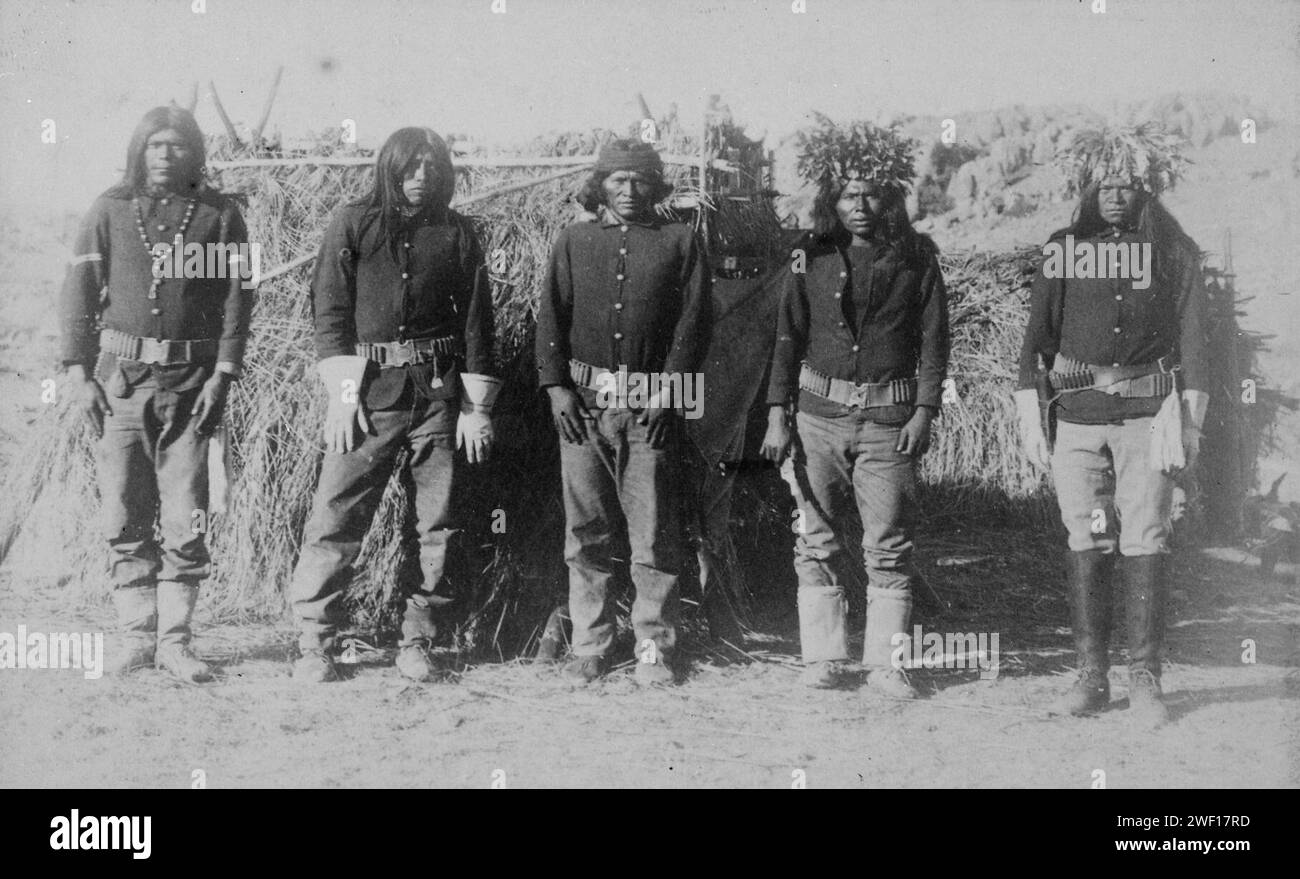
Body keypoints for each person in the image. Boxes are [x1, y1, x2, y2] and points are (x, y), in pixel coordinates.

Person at [288, 127, 498, 684]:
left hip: (436, 397)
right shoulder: (352, 224)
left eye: (431, 168)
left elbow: (479, 321)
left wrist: (477, 407)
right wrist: (341, 395)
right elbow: (330, 312)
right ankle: (315, 640)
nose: (420, 178)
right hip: (367, 398)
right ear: (390, 168)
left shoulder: (457, 233)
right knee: (336, 515)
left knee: (440, 524)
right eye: (409, 167)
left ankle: (420, 642)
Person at [1017, 124, 1206, 727]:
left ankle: (1145, 680)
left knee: (1145, 539)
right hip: (1078, 427)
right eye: (1106, 185)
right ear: (1088, 188)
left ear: (1148, 188)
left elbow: (1198, 344)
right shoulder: (1063, 250)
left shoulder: (1174, 254)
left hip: (1147, 424)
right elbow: (1036, 342)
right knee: (1089, 539)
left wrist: (1192, 424)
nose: (1117, 195)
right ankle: (1090, 678)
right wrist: (1031, 416)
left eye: (1128, 185)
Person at [60, 106, 250, 682]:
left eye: (177, 146)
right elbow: (78, 290)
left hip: (192, 388)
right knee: (123, 509)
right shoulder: (109, 210)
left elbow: (239, 300)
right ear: (139, 150)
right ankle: (134, 636)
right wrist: (77, 373)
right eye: (155, 146)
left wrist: (223, 373)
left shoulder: (221, 216)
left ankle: (176, 642)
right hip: (121, 385)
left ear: (193, 152)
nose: (166, 156)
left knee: (187, 512)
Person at [760, 119, 949, 696]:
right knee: (815, 537)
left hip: (889, 424)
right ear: (831, 200)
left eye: (871, 193)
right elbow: (786, 337)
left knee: (888, 543)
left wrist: (923, 413)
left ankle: (888, 665)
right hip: (818, 419)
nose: (860, 205)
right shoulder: (808, 255)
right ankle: (823, 658)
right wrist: (777, 413)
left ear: (889, 196)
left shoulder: (917, 256)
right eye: (848, 194)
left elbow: (935, 340)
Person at [535, 139, 710, 686]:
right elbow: (550, 321)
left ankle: (654, 644)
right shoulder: (574, 241)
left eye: (639, 180)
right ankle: (590, 643)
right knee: (585, 529)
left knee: (652, 531)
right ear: (600, 185)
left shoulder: (680, 242)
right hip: (582, 409)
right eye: (617, 180)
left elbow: (695, 324)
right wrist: (557, 390)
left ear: (654, 186)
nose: (629, 191)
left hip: (648, 407)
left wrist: (670, 391)